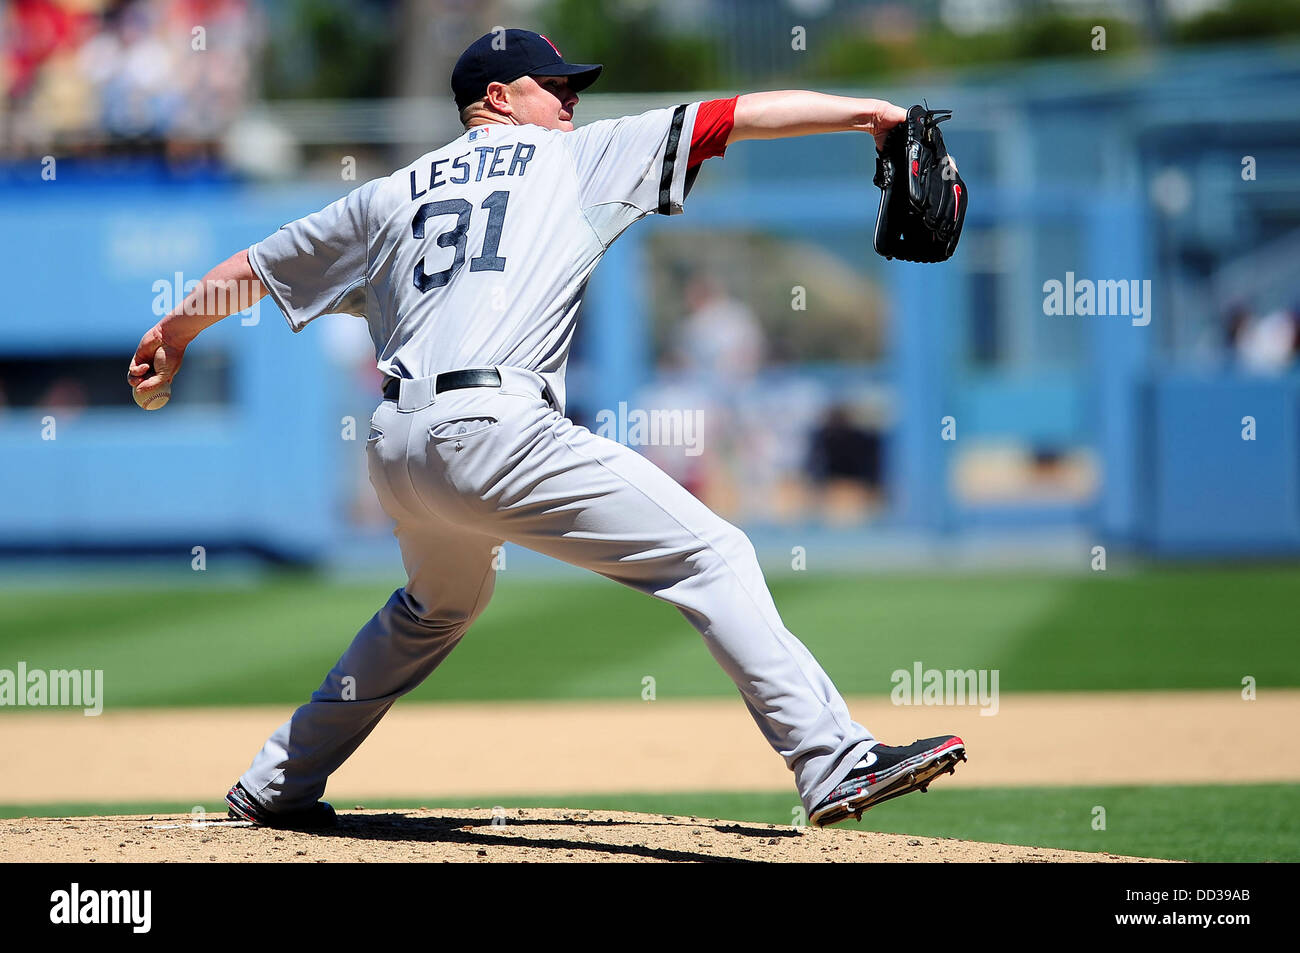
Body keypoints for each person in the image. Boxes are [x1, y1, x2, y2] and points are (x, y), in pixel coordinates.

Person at [128, 28, 966, 830]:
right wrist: (874, 115)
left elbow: (256, 268)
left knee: (435, 605)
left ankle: (278, 781)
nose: (572, 100)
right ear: (497, 96)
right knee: (712, 553)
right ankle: (832, 759)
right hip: (495, 429)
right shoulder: (575, 158)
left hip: (398, 444)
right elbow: (734, 115)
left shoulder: (389, 193)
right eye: (556, 86)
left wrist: (171, 336)